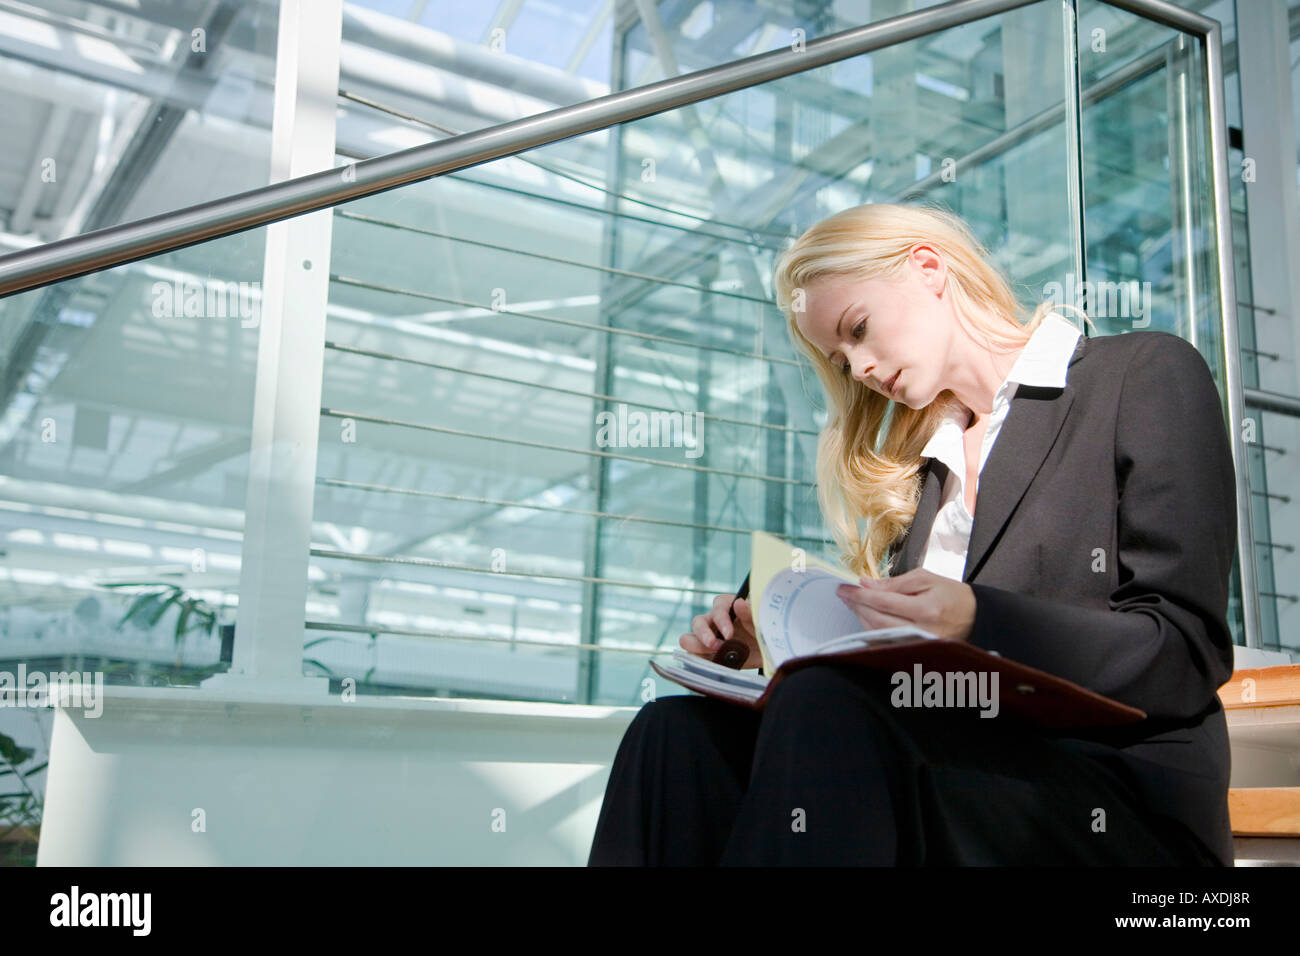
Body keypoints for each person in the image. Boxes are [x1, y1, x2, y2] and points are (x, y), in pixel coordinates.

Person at [586, 202, 1237, 866]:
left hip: (1116, 806)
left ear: (928, 267)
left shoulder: (1142, 375)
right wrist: (772, 650)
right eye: (842, 360)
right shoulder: (928, 476)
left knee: (830, 710)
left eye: (858, 328)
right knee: (673, 736)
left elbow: (1183, 650)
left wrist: (978, 620)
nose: (861, 368)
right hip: (956, 774)